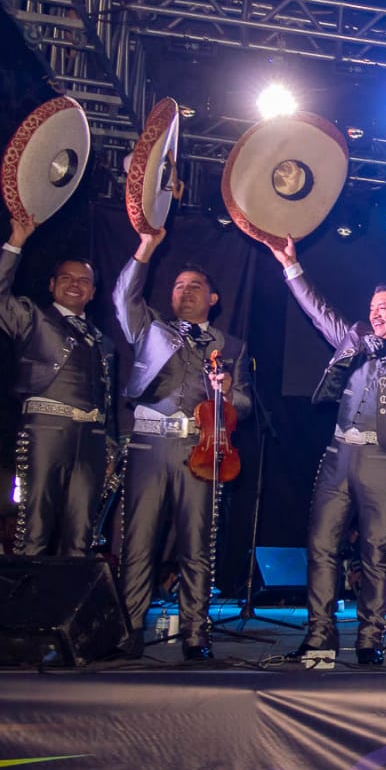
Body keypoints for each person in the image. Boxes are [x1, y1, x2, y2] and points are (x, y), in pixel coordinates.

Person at [267, 237, 386, 665]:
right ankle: (319, 634)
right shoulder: (355, 342)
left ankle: (370, 638)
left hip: (384, 465)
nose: (375, 312)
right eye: (372, 306)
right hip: (337, 457)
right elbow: (318, 310)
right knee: (322, 545)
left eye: (384, 305)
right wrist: (292, 266)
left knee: (377, 552)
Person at [114, 227, 252, 660]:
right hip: (150, 446)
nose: (185, 292)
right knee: (138, 542)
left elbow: (245, 404)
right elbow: (122, 299)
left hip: (200, 450)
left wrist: (229, 391)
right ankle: (130, 628)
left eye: (195, 287)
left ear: (213, 298)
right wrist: (146, 247)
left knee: (198, 543)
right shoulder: (151, 328)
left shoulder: (231, 345)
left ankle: (196, 633)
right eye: (178, 286)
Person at [0, 218, 113, 557]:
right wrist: (16, 240)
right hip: (45, 430)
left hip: (91, 440)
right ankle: (25, 609)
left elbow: (108, 397)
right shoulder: (32, 317)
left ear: (93, 292)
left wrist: (110, 443)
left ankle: (68, 608)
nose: (75, 285)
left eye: (84, 280)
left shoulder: (102, 340)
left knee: (81, 535)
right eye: (67, 278)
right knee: (35, 527)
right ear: (52, 285)